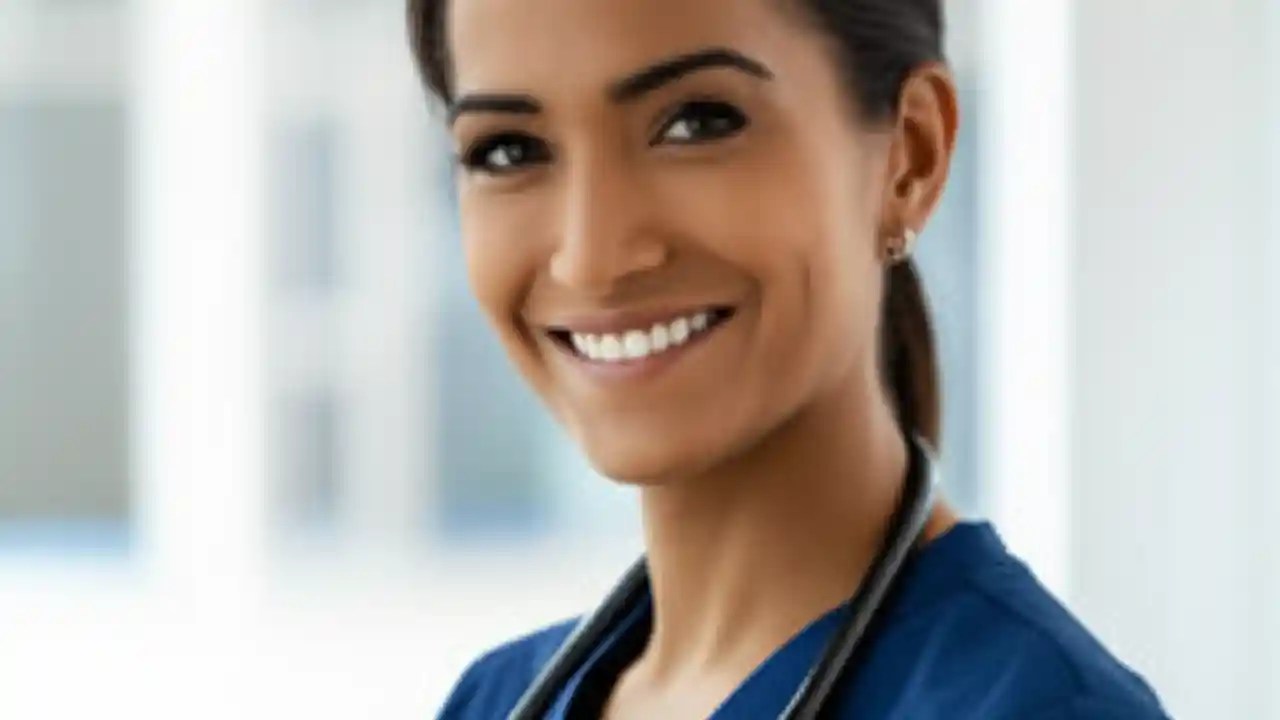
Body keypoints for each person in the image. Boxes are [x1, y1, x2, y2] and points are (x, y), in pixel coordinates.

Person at [407, 0, 1170, 717]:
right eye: (509, 149)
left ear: (910, 156)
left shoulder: (1033, 707)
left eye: (697, 124)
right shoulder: (495, 698)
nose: (592, 259)